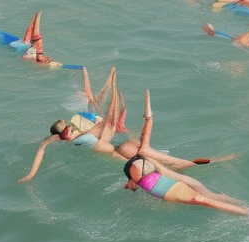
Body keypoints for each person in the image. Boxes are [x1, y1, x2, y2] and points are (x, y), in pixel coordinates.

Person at [20, 78, 228, 182]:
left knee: (170, 169)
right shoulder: (82, 135)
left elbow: (42, 147)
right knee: (171, 164)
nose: (69, 129)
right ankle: (213, 162)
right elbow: (108, 120)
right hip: (124, 147)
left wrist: (31, 174)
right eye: (67, 129)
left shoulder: (80, 137)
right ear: (65, 130)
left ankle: (212, 163)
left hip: (123, 153)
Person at [123, 153, 249, 215]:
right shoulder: (148, 161)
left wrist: (130, 183)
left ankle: (246, 212)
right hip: (176, 183)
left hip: (170, 187)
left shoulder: (134, 167)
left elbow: (135, 181)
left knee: (205, 200)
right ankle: (244, 206)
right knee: (210, 198)